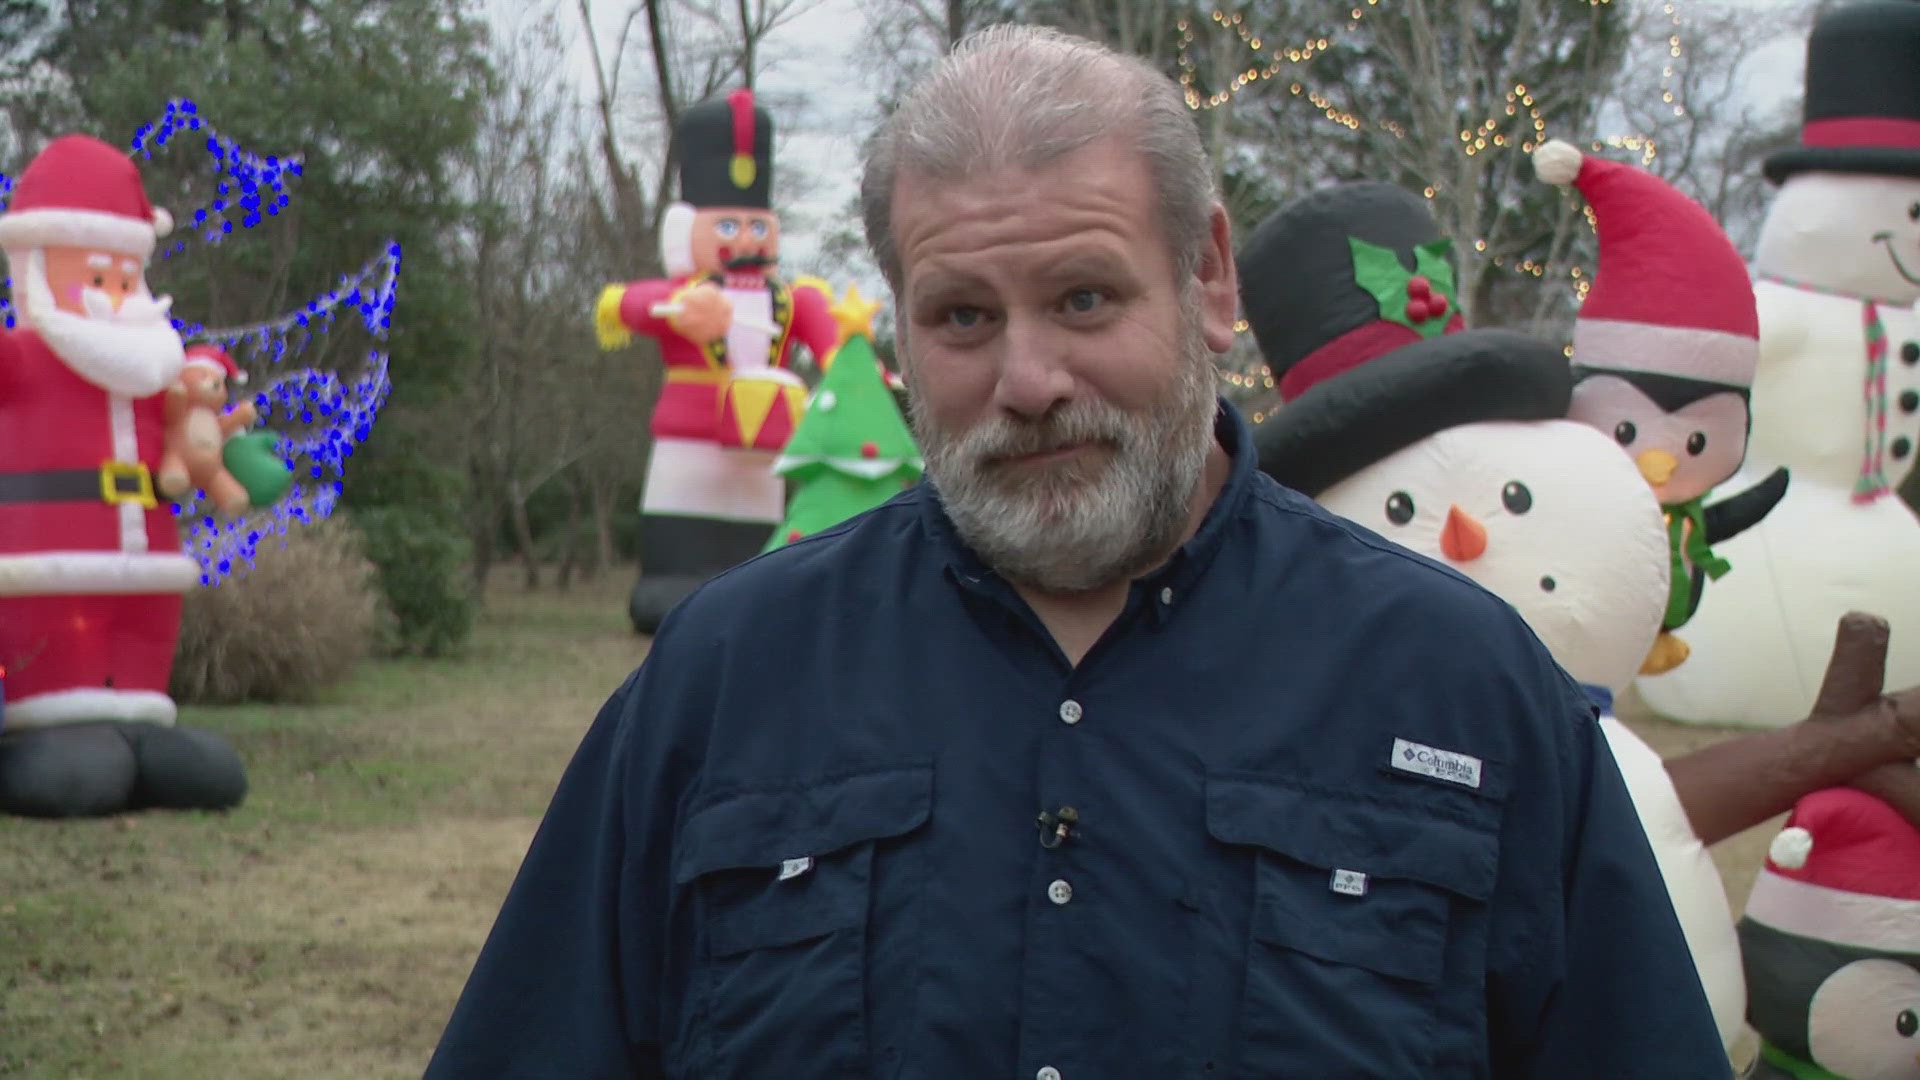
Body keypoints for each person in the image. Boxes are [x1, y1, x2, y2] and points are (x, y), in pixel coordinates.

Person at [425, 24, 1729, 1078]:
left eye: (1085, 298)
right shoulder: (723, 684)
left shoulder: (1464, 689)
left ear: (1210, 279)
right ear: (899, 331)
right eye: (963, 316)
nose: (1028, 377)